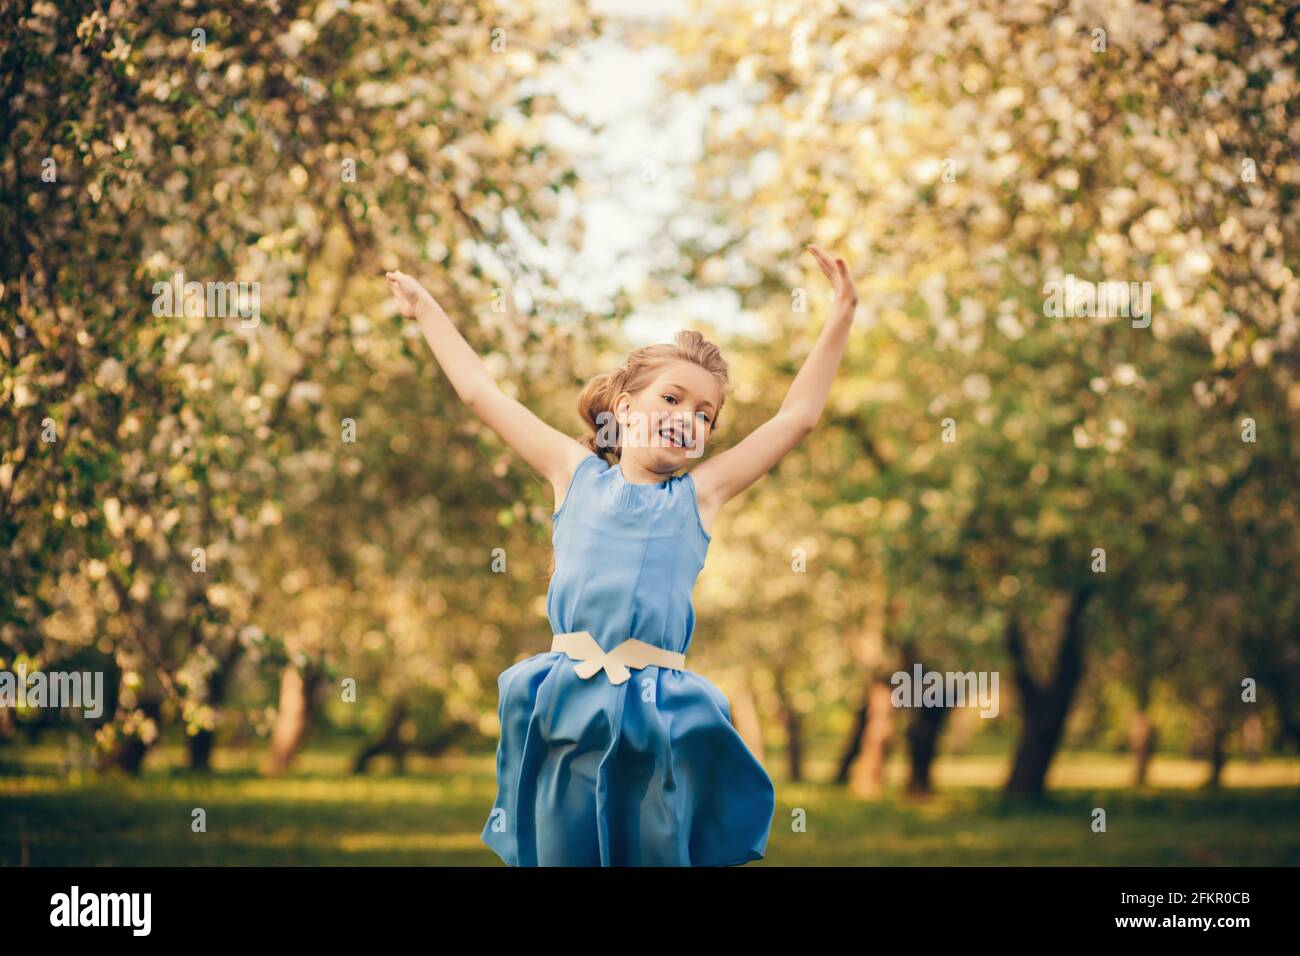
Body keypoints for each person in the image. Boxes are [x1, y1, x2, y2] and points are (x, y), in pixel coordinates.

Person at [385, 245, 858, 865]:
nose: (687, 418)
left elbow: (797, 417)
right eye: (671, 398)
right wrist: (427, 312)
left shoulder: (701, 496)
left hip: (655, 717)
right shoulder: (573, 473)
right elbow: (480, 393)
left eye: (704, 414)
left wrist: (842, 313)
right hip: (566, 704)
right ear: (625, 407)